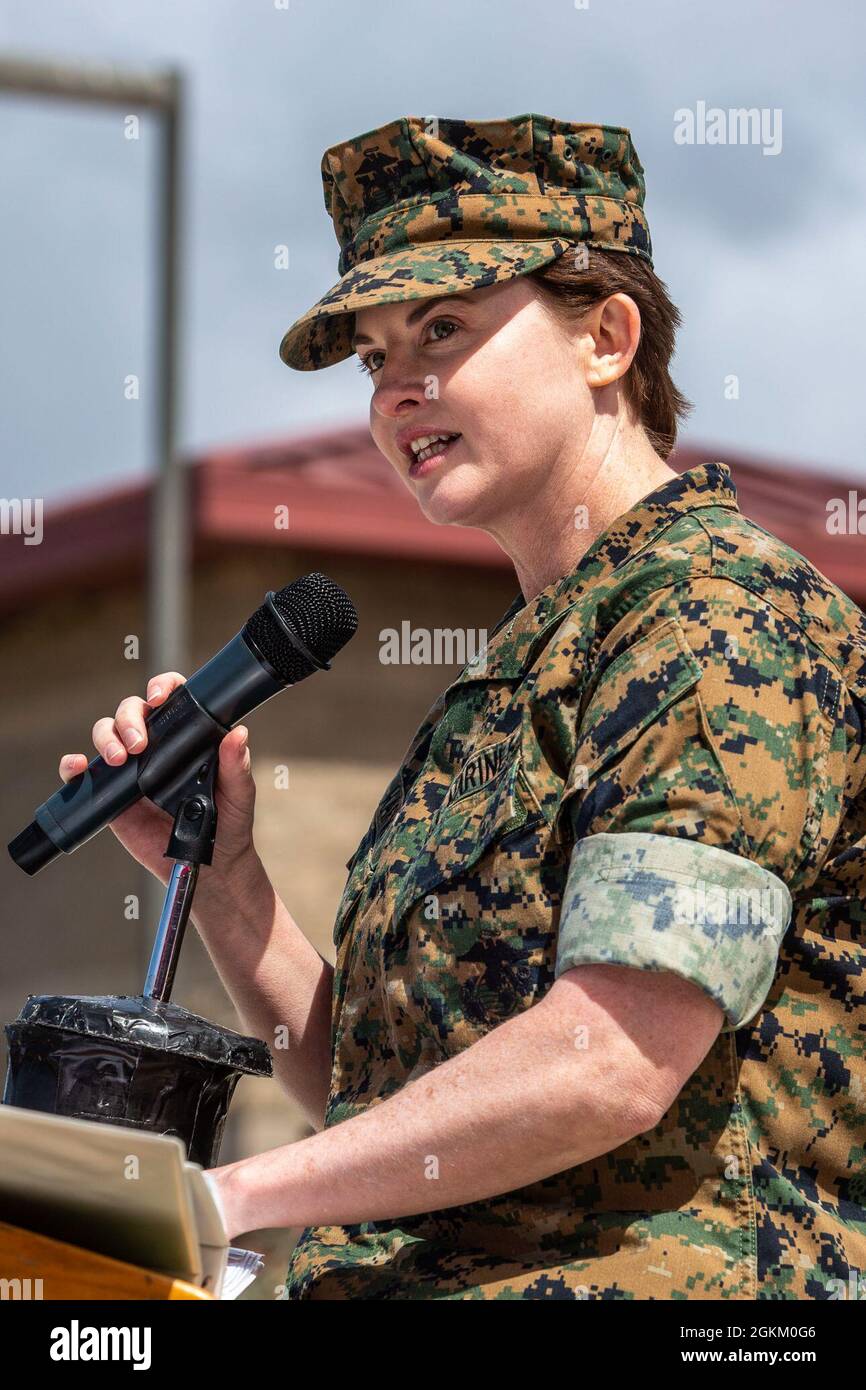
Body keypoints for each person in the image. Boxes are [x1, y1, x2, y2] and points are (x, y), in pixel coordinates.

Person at [58, 113, 866, 1300]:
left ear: (605, 336)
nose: (396, 389)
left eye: (442, 329)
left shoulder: (719, 619)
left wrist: (221, 1197)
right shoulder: (520, 673)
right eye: (375, 355)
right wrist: (227, 883)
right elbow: (378, 1089)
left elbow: (612, 1056)